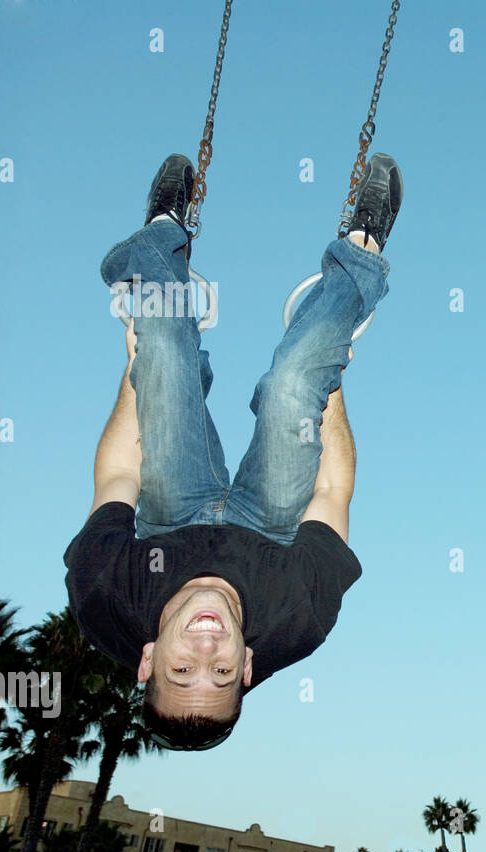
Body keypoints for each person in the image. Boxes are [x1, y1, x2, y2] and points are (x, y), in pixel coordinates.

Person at [64, 152, 402, 750]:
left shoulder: (106, 597)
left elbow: (118, 473)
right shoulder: (297, 619)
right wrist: (328, 374)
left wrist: (137, 366)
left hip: (171, 511)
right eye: (221, 673)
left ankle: (164, 233)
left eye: (181, 669)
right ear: (246, 669)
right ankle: (360, 251)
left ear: (146, 660)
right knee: (294, 384)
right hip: (268, 527)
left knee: (164, 350)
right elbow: (330, 490)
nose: (205, 647)